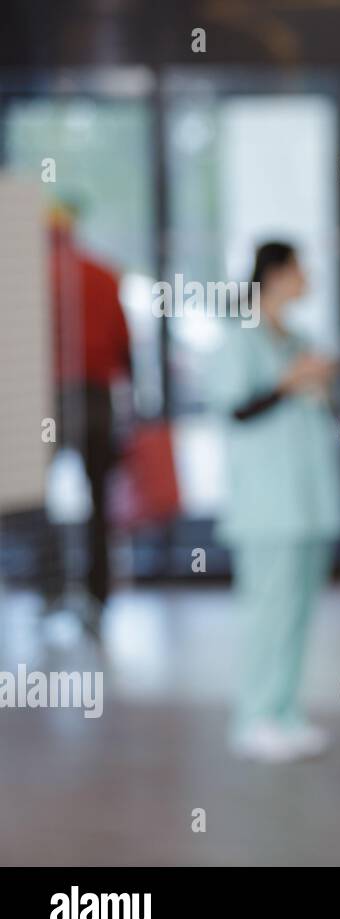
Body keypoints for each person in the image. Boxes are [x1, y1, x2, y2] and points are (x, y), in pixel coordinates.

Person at [208, 241, 340, 763]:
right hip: (266, 505)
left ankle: (285, 712)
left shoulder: (300, 338)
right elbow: (234, 408)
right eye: (298, 269)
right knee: (267, 615)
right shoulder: (240, 337)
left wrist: (316, 382)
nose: (306, 277)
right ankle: (254, 716)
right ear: (276, 273)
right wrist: (289, 384)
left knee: (298, 613)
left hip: (307, 500)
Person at [43, 199, 132, 639]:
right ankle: (97, 594)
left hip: (47, 399)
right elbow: (124, 343)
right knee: (99, 502)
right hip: (96, 398)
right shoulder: (101, 273)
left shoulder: (34, 276)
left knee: (36, 497)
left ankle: (50, 588)